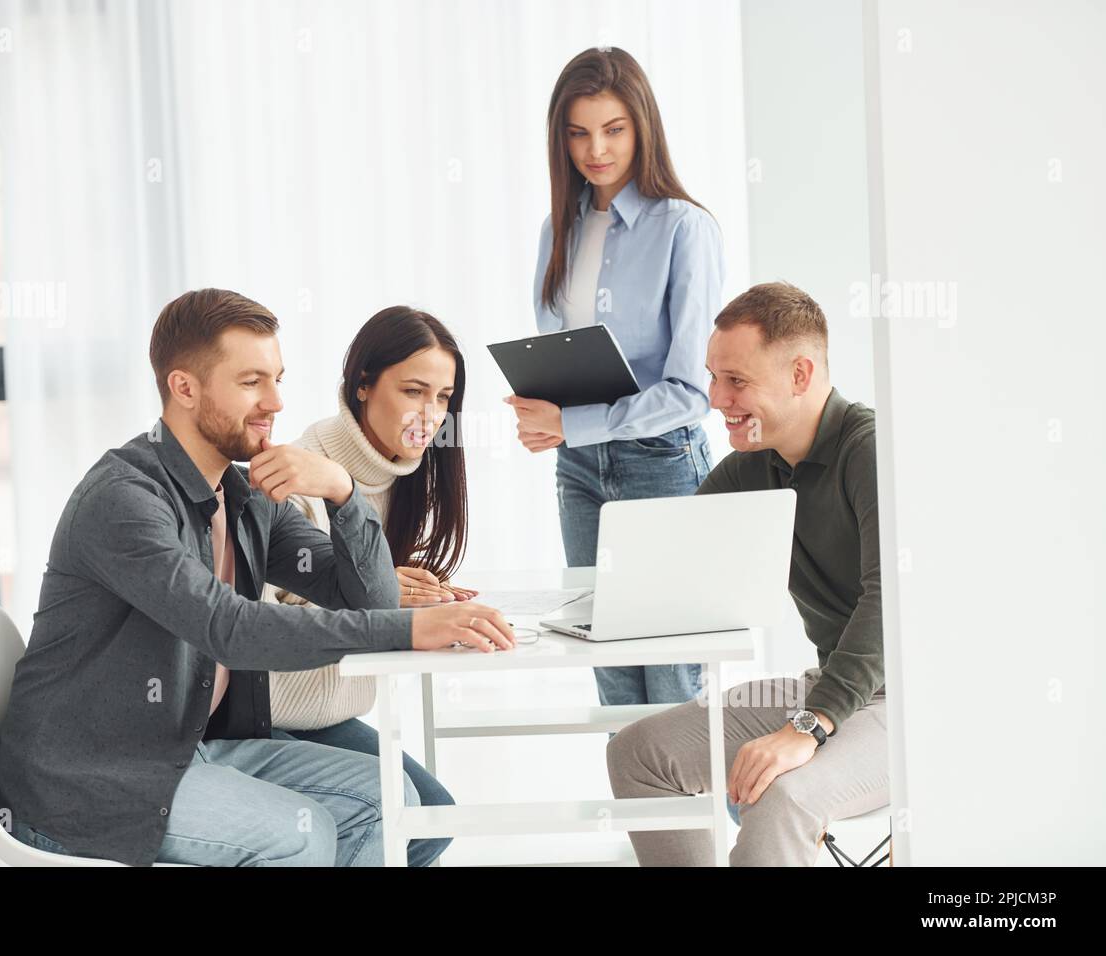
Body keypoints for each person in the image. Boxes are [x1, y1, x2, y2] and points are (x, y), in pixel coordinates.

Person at [0, 288, 515, 867]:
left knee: (389, 802)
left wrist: (342, 492)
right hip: (95, 777)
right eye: (251, 382)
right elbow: (230, 629)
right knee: (303, 832)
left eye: (278, 379)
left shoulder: (245, 495)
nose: (276, 402)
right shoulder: (125, 499)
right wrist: (412, 630)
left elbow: (365, 598)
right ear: (184, 387)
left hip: (191, 748)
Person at [606, 282, 889, 866]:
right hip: (832, 686)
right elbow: (661, 563)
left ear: (800, 374)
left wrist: (807, 727)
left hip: (912, 700)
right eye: (713, 377)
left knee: (780, 793)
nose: (715, 398)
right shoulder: (751, 469)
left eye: (736, 380)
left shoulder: (871, 450)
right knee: (639, 752)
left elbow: (889, 603)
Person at [507, 46, 724, 708]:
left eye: (613, 129)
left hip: (661, 466)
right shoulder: (557, 230)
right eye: (577, 132)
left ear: (642, 127)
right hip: (578, 472)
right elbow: (561, 351)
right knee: (614, 680)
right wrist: (541, 407)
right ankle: (640, 819)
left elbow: (693, 392)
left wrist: (573, 423)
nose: (594, 148)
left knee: (672, 685)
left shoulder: (685, 229)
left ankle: (720, 817)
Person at [259, 305, 478, 866]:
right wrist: (376, 595)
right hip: (271, 717)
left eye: (443, 398)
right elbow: (261, 616)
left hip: (330, 714)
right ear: (362, 385)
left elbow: (376, 590)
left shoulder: (401, 478)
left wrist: (407, 592)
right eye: (413, 391)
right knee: (401, 816)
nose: (430, 415)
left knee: (431, 818)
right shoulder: (304, 472)